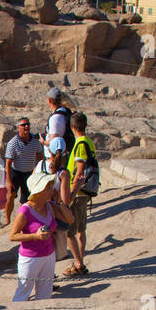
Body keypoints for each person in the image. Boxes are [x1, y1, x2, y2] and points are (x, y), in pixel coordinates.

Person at [9, 169, 66, 301]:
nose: (53, 190)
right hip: (30, 258)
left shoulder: (50, 206)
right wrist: (35, 236)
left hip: (49, 255)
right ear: (39, 191)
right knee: (23, 293)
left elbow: (70, 219)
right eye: (49, 187)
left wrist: (59, 202)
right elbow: (13, 236)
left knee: (45, 294)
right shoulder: (25, 211)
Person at [62, 112, 100, 278]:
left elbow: (79, 173)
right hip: (84, 192)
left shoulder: (80, 144)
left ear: (72, 128)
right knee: (81, 229)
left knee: (70, 231)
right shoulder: (89, 142)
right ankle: (80, 261)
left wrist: (71, 192)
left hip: (77, 192)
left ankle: (79, 264)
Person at [3, 117, 44, 223]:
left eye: (28, 124)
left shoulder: (35, 141)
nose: (26, 126)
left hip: (29, 173)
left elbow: (40, 156)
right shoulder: (13, 143)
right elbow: (8, 163)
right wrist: (8, 181)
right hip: (16, 172)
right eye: (24, 125)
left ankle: (23, 219)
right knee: (11, 196)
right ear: (18, 127)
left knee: (28, 199)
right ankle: (7, 219)